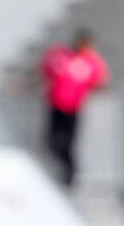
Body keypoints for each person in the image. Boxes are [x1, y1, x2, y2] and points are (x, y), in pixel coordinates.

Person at [41, 30, 109, 188]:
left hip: (74, 108)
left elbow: (101, 81)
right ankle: (64, 172)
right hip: (56, 105)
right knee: (51, 141)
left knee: (68, 143)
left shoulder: (91, 62)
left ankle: (70, 175)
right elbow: (45, 73)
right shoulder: (61, 56)